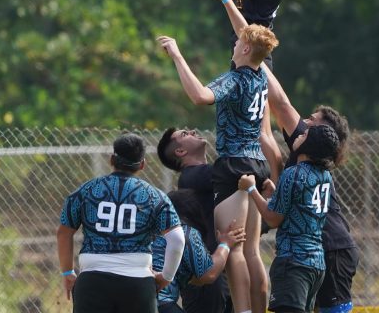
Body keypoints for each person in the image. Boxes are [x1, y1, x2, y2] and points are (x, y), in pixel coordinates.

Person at [200, 0, 360, 313]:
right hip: (325, 252)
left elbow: (277, 101)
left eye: (310, 123)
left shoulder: (299, 168)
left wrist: (252, 49)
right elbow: (266, 138)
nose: (303, 124)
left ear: (311, 137)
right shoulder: (320, 170)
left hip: (318, 251)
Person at [157, 25, 278, 313]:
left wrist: (176, 55)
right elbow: (265, 126)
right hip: (257, 162)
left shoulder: (233, 79)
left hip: (234, 162)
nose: (233, 46)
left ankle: (243, 311)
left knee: (235, 249)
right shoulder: (261, 78)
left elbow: (200, 96)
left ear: (246, 49)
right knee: (252, 251)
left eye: (237, 43)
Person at [56, 134, 185, 313]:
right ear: (142, 164)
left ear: (111, 160)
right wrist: (166, 276)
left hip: (92, 281)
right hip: (138, 281)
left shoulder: (85, 191)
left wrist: (67, 273)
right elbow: (177, 240)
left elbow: (64, 232)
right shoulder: (155, 196)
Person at [239, 124, 340, 313]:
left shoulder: (293, 174)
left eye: (306, 134)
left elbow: (273, 219)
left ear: (311, 146)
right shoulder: (325, 176)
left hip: (294, 263)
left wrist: (251, 189)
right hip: (316, 264)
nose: (301, 134)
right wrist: (276, 194)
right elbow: (299, 207)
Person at [158, 128, 233, 313]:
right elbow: (237, 170)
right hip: (205, 269)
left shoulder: (204, 176)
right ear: (180, 152)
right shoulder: (193, 176)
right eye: (184, 134)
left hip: (218, 265)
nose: (192, 131)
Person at [153, 189, 246, 313]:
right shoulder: (185, 231)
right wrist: (225, 244)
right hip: (160, 302)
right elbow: (209, 273)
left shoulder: (149, 228)